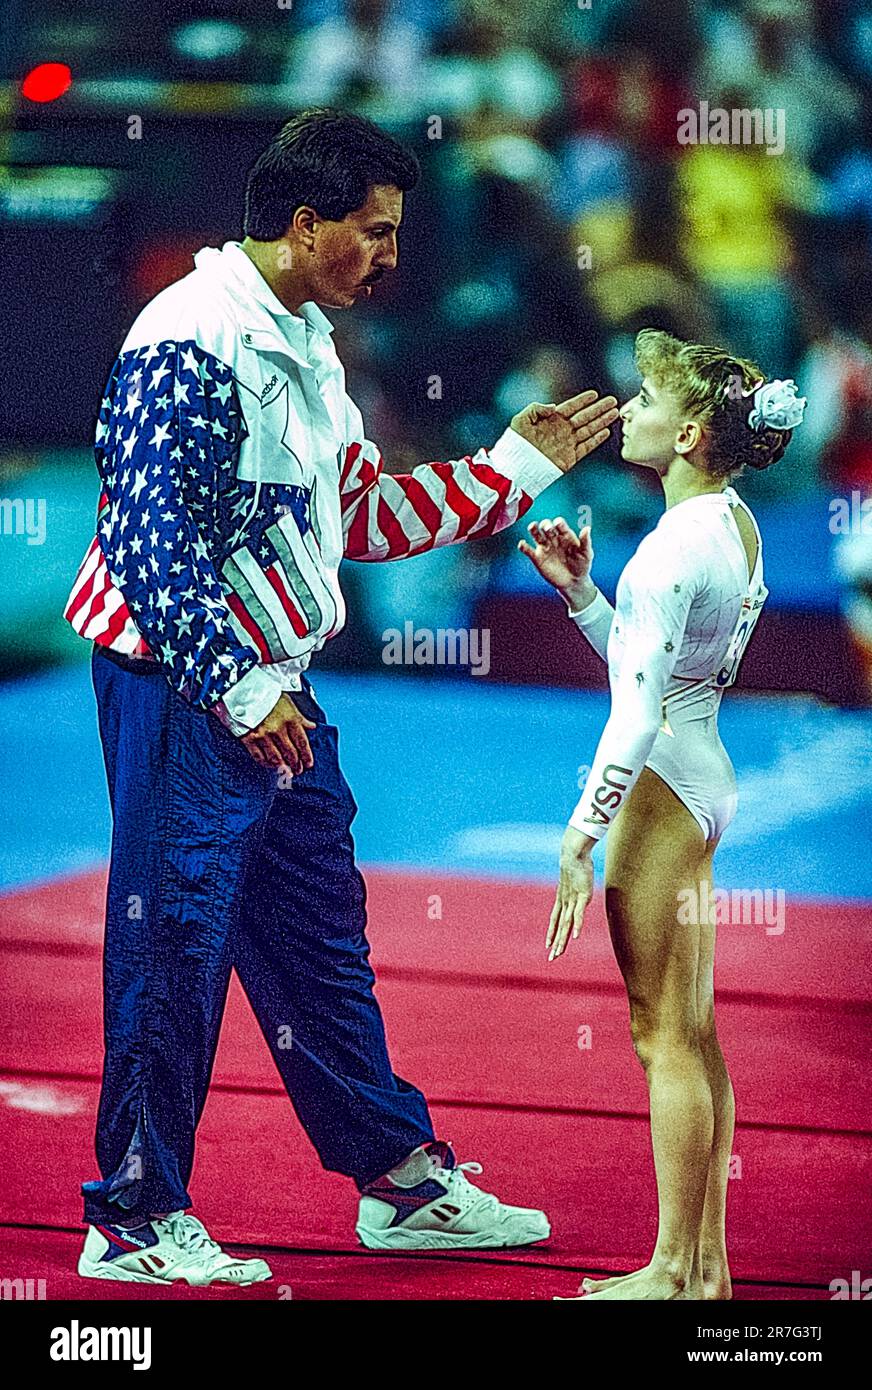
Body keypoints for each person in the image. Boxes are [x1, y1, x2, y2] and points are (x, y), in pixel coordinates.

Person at [64, 106, 618, 1286]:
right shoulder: (192, 342)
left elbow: (353, 519)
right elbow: (148, 542)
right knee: (173, 949)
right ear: (304, 224)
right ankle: (133, 1217)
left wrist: (513, 468)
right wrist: (233, 683)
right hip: (187, 691)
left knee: (318, 945)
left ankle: (397, 1179)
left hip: (274, 689)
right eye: (372, 233)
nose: (390, 257)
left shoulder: (305, 338)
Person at [519, 329, 805, 1301]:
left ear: (686, 433)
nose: (626, 410)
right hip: (705, 772)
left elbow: (634, 712)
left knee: (659, 1037)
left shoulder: (662, 554)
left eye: (642, 400)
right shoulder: (730, 522)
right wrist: (579, 597)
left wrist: (576, 835)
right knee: (693, 1030)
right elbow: (666, 671)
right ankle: (703, 1271)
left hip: (662, 788)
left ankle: (670, 1269)